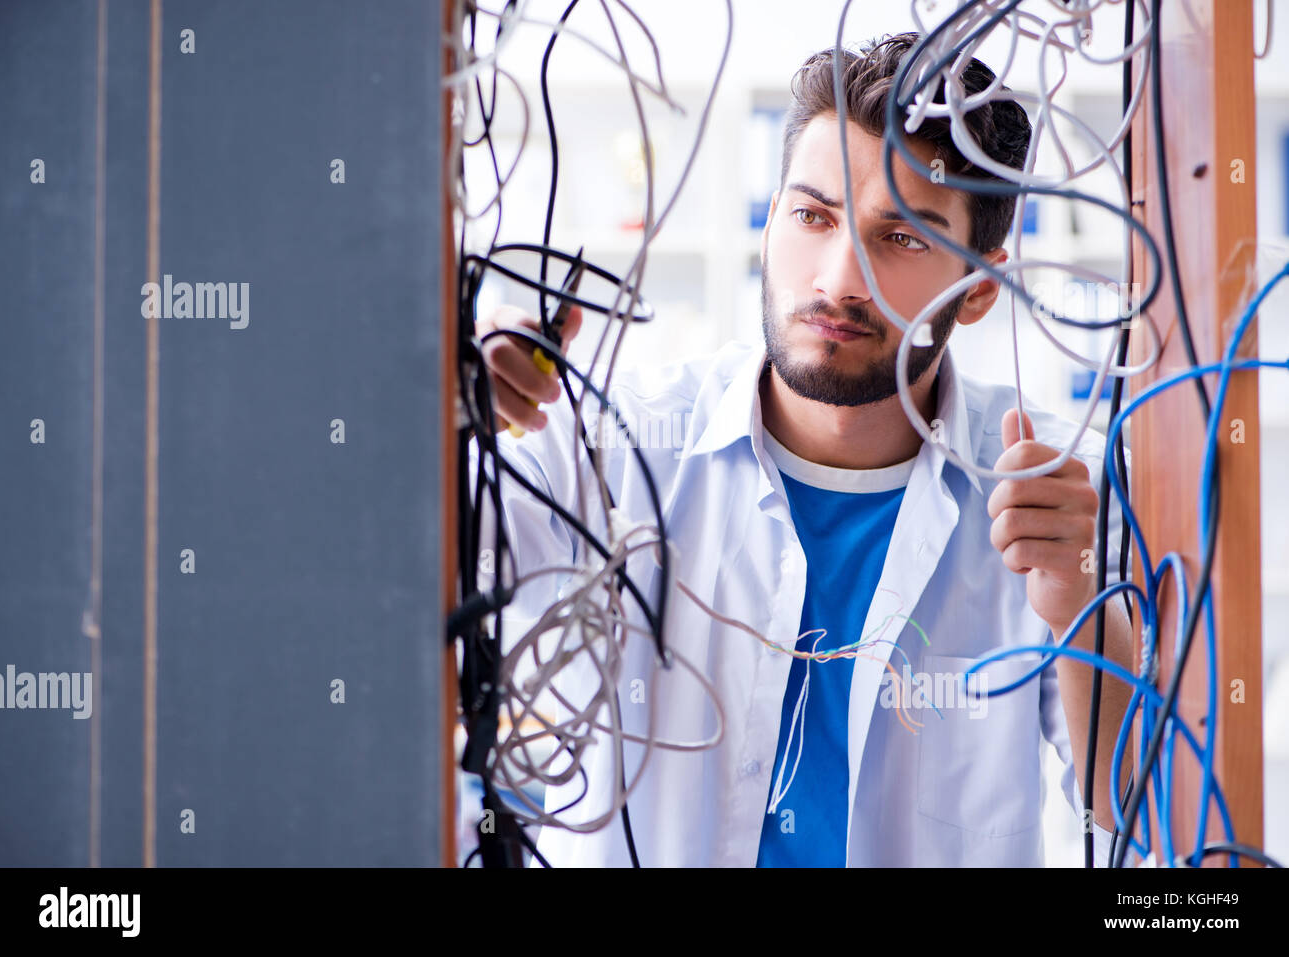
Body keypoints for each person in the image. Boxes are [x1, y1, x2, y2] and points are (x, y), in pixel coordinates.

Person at [471, 32, 1135, 867]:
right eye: (812, 216)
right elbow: (391, 580)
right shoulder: (610, 447)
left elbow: (1144, 830)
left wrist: (1078, 603)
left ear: (980, 291)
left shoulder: (1050, 495)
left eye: (901, 239)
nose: (837, 279)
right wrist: (445, 420)